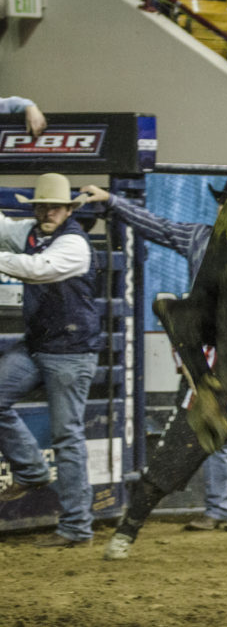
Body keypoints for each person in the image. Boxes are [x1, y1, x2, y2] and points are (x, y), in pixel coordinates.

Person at [81, 178, 227, 562]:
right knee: (162, 472)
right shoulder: (199, 239)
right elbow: (155, 225)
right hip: (210, 388)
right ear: (222, 209)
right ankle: (127, 532)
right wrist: (112, 200)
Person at [0, 173, 100, 548]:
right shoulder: (30, 232)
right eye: (42, 205)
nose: (47, 212)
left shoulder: (74, 244)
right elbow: (4, 228)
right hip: (42, 344)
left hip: (70, 352)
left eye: (54, 207)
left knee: (67, 437)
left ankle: (77, 527)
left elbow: (39, 269)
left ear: (68, 210)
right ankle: (31, 470)